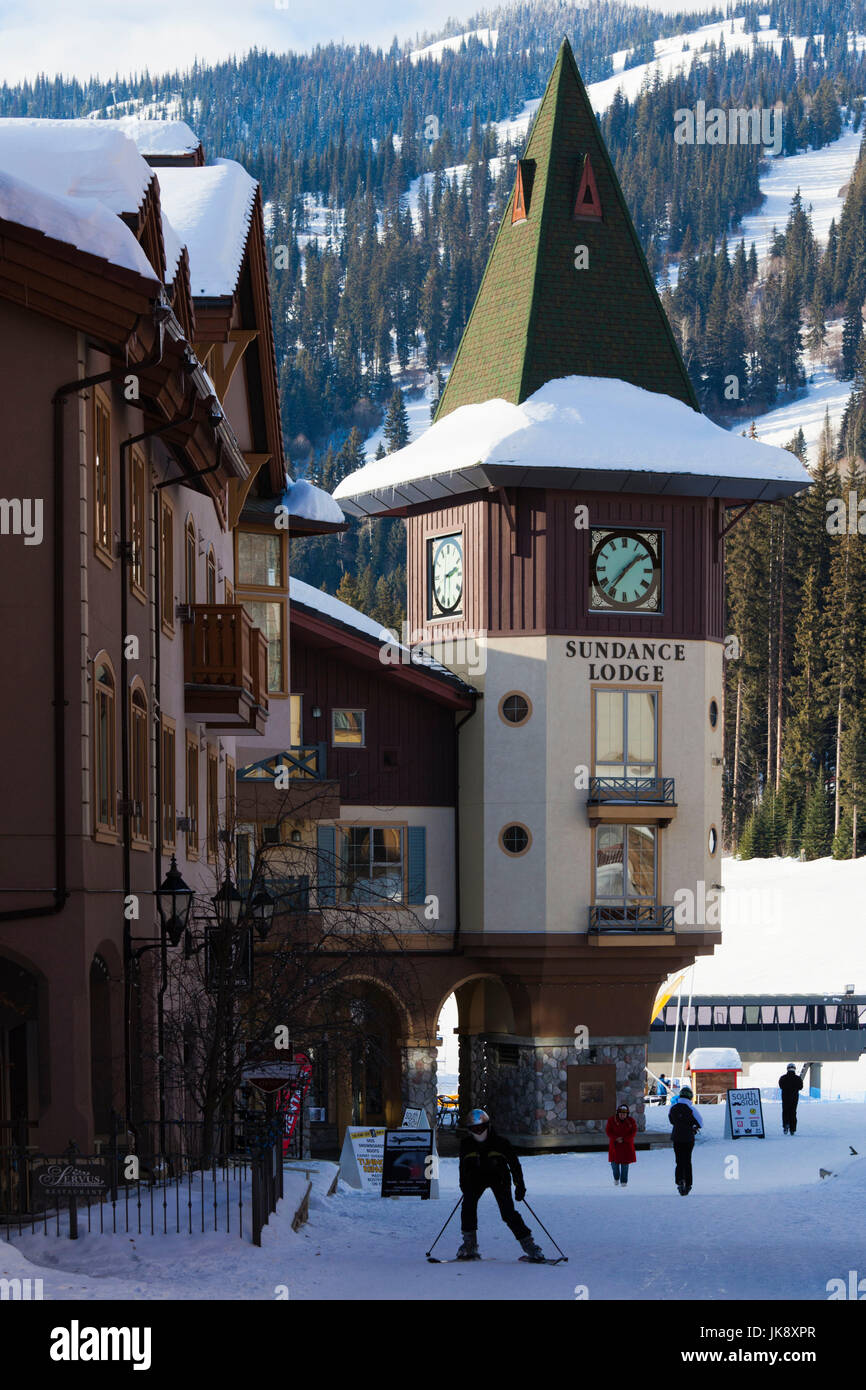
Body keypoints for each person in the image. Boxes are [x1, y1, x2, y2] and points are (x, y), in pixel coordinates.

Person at [456, 1108, 545, 1261]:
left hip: (500, 1178)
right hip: (475, 1179)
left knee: (508, 1213)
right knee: (468, 1207)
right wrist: (464, 1185)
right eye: (474, 1129)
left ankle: (531, 1248)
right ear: (469, 1130)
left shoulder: (501, 1143)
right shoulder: (466, 1144)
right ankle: (469, 1246)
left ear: (488, 1126)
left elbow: (515, 1165)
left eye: (481, 1128)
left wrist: (519, 1186)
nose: (478, 1132)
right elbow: (462, 1167)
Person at [668, 1085, 703, 1195]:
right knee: (687, 1160)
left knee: (679, 1160)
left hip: (676, 1137)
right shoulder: (691, 1109)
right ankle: (688, 1183)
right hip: (688, 1138)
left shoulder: (673, 1108)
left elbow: (671, 1121)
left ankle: (679, 1181)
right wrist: (692, 1126)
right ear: (690, 1097)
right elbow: (700, 1123)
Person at [606, 1103, 637, 1185]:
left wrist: (624, 1139)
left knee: (625, 1165)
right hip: (615, 1146)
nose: (622, 1115)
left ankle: (624, 1181)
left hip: (626, 1146)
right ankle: (616, 1178)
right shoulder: (611, 1120)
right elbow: (608, 1131)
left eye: (624, 1114)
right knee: (614, 1164)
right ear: (618, 1113)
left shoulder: (631, 1121)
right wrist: (616, 1138)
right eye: (621, 1113)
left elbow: (633, 1132)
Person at [779, 1063, 804, 1134]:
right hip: (794, 1097)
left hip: (785, 1097)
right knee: (793, 1112)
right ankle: (792, 1129)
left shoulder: (783, 1078)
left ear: (787, 1069)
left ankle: (786, 1125)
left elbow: (781, 1086)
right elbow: (800, 1087)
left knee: (785, 1111)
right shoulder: (798, 1078)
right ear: (794, 1069)